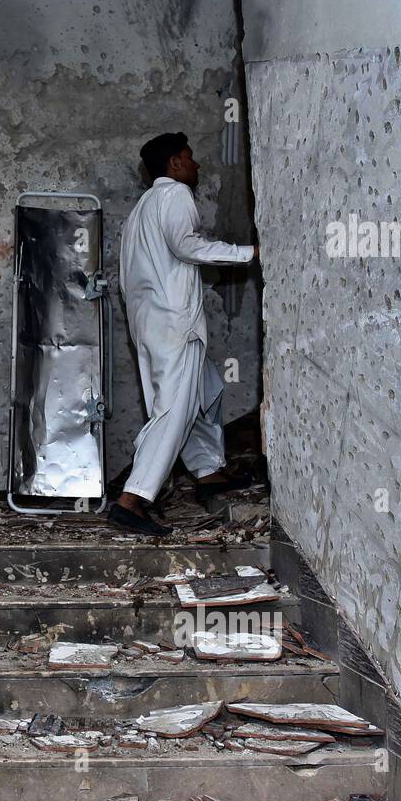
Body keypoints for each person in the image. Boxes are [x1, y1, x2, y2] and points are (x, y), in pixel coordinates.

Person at [109, 132, 257, 535]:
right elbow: (187, 246)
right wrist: (248, 254)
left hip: (150, 323)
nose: (197, 165)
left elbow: (129, 278)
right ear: (174, 164)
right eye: (190, 158)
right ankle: (133, 499)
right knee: (173, 410)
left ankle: (208, 471)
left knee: (207, 391)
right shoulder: (175, 195)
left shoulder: (140, 209)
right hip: (174, 324)